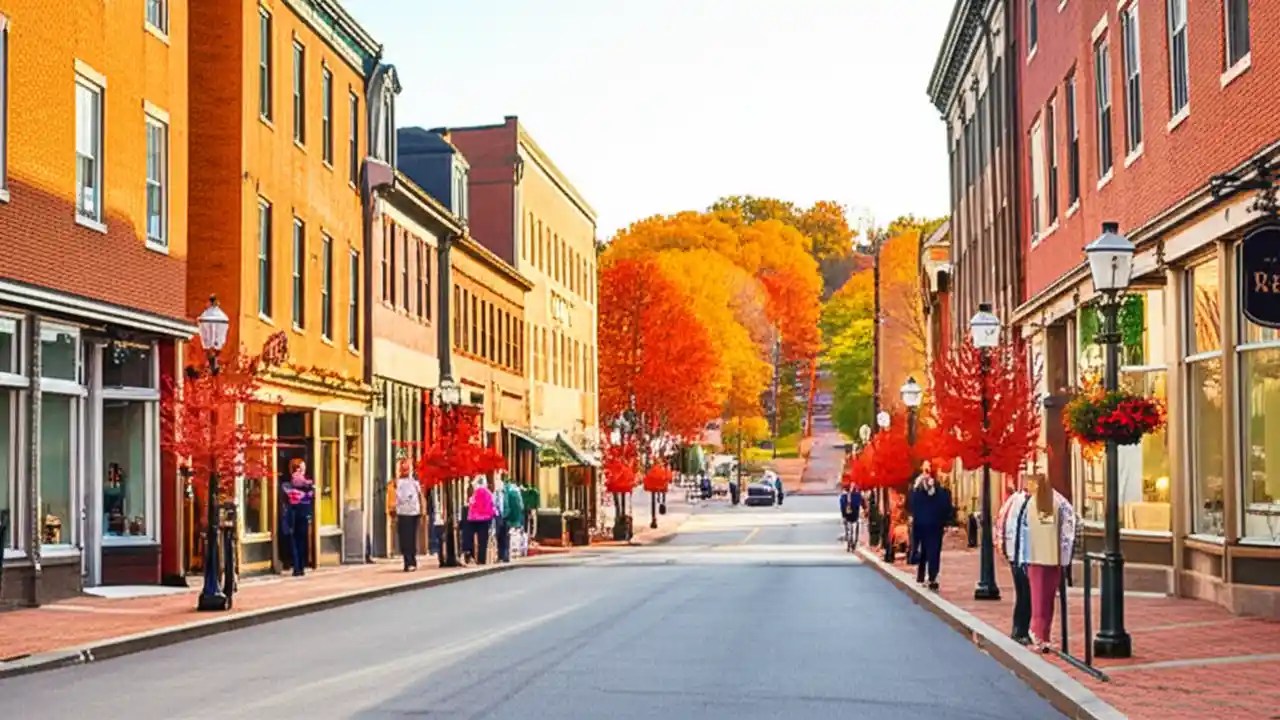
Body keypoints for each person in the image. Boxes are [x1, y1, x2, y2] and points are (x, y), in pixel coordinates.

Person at [1024, 473, 1076, 652]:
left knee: (1038, 598)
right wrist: (1064, 557)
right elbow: (1067, 531)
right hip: (1053, 559)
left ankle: (1037, 632)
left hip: (1035, 558)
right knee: (1048, 598)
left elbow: (1025, 531)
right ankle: (1043, 635)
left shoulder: (1031, 504)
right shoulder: (1059, 502)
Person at [997, 480, 1033, 644]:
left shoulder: (1013, 500)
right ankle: (1021, 631)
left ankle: (1019, 630)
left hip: (1014, 554)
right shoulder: (1025, 503)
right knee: (1026, 594)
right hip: (1021, 556)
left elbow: (1002, 524)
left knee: (1023, 594)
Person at [910, 466, 952, 590]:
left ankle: (932, 576)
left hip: (935, 527)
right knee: (923, 551)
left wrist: (945, 522)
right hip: (921, 527)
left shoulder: (941, 492)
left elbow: (946, 507)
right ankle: (922, 574)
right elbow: (912, 506)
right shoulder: (918, 492)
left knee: (933, 551)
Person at [390, 457, 426, 572]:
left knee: (411, 538)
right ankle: (407, 561)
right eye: (403, 467)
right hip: (402, 513)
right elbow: (393, 496)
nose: (405, 470)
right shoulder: (396, 483)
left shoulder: (415, 482)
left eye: (407, 467)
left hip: (413, 513)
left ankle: (412, 561)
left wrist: (422, 510)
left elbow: (420, 496)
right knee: (404, 539)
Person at [282, 458, 315, 577]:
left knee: (296, 541)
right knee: (300, 541)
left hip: (295, 513)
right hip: (300, 513)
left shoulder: (288, 484)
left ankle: (297, 567)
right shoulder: (302, 482)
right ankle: (299, 566)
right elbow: (309, 491)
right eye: (302, 467)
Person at [467, 477, 497, 565]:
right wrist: (493, 515)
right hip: (485, 520)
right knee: (483, 541)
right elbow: (492, 505)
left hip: (473, 519)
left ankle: (471, 556)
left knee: (470, 538)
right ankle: (481, 559)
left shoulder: (475, 493)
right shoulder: (488, 493)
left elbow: (471, 504)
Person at [501, 478, 525, 562]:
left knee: (502, 536)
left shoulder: (503, 490)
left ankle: (503, 555)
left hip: (504, 516)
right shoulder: (516, 491)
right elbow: (521, 506)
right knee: (508, 536)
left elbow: (505, 503)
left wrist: (504, 514)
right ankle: (507, 555)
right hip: (513, 517)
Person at [840, 484, 864, 548]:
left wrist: (843, 516)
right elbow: (863, 504)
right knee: (856, 525)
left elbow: (842, 507)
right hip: (855, 515)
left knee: (848, 525)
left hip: (847, 515)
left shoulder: (844, 496)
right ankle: (853, 540)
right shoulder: (858, 495)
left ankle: (848, 537)